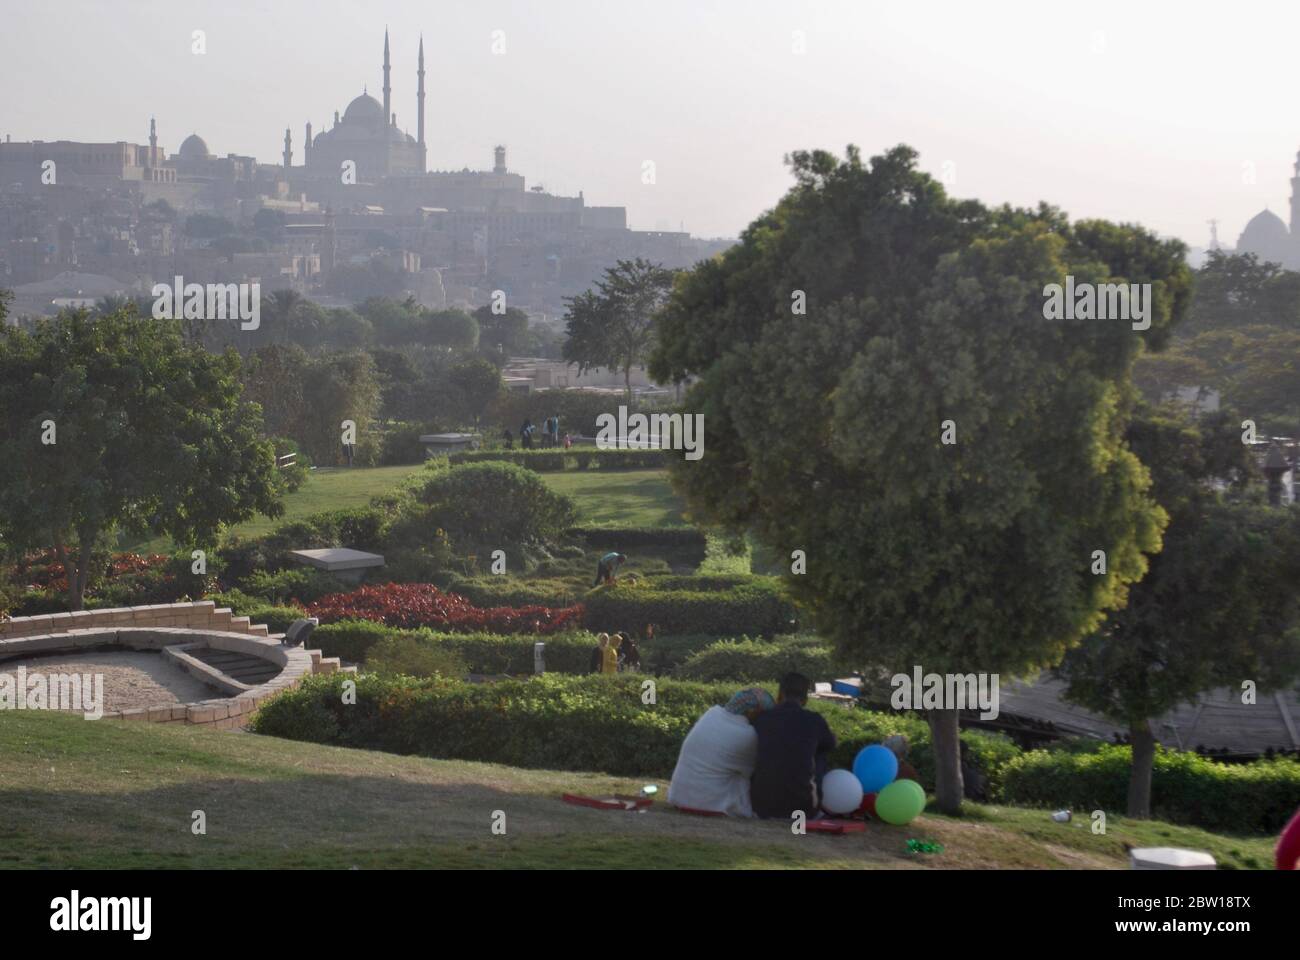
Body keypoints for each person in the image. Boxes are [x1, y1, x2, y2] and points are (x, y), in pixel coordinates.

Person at [668, 687, 776, 818]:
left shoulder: (711, 714)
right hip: (709, 805)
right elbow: (754, 772)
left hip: (680, 798)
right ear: (753, 712)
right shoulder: (748, 735)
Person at [749, 672, 837, 819]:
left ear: (780, 694)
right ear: (805, 699)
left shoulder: (762, 719)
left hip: (760, 806)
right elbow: (831, 744)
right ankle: (811, 794)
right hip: (802, 809)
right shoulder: (814, 720)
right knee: (821, 751)